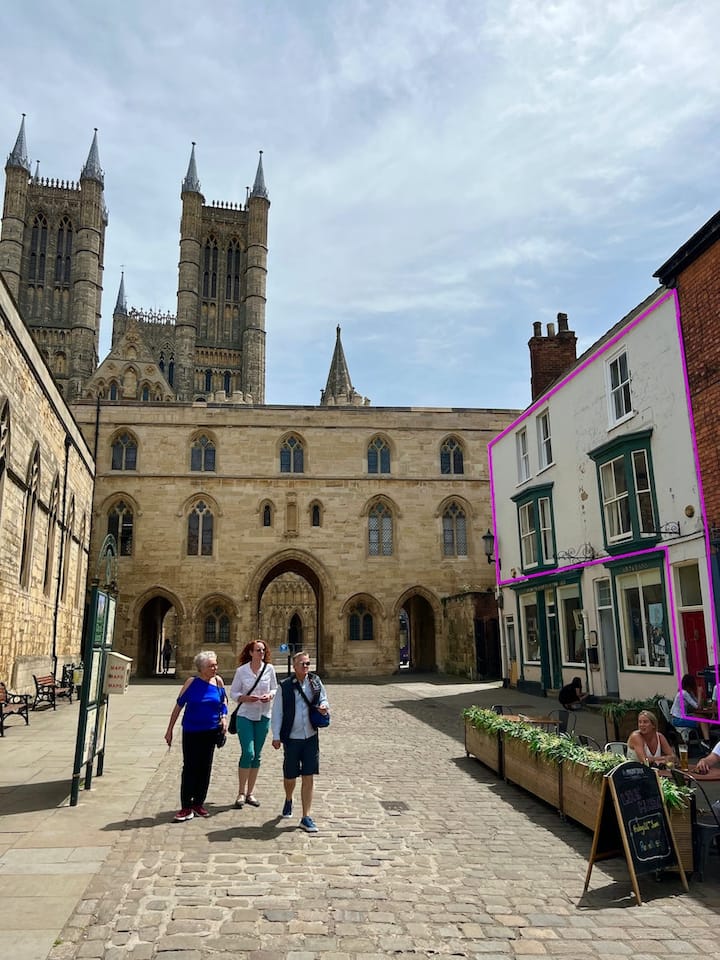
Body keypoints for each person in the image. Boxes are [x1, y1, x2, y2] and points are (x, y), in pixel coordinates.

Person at [164, 650, 228, 822]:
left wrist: (224, 717)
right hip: (191, 731)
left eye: (216, 664)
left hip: (211, 731)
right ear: (201, 668)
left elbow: (223, 702)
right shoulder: (191, 683)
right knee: (190, 767)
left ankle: (198, 803)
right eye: (211, 666)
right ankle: (186, 806)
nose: (215, 668)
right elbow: (178, 706)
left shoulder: (219, 681)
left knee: (205, 767)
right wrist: (170, 729)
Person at [271, 650, 329, 833]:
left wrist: (324, 707)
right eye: (302, 664)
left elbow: (324, 699)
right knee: (290, 776)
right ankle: (289, 798)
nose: (306, 667)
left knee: (308, 775)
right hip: (292, 737)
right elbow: (277, 712)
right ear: (294, 666)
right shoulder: (285, 686)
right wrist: (276, 736)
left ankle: (306, 816)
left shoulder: (315, 681)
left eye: (308, 663)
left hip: (310, 735)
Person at [229, 639, 277, 808]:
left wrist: (269, 696)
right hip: (245, 715)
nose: (261, 653)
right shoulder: (241, 671)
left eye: (263, 650)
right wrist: (245, 698)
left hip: (263, 714)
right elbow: (233, 693)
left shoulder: (269, 669)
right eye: (258, 650)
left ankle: (250, 793)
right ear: (250, 652)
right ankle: (241, 792)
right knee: (248, 753)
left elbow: (274, 688)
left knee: (257, 755)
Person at [671, 673, 711, 746]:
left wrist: (699, 696)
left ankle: (707, 739)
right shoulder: (683, 693)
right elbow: (697, 707)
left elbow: (697, 704)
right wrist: (699, 694)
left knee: (702, 717)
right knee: (703, 720)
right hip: (678, 719)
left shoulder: (688, 693)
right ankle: (707, 741)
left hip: (681, 717)